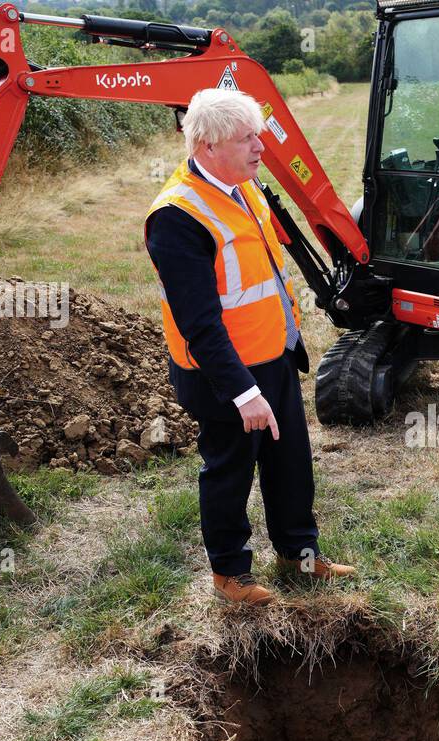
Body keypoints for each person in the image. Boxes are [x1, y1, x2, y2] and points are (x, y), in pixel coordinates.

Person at [144, 88, 353, 606]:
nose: (260, 147)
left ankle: (298, 555)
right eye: (246, 139)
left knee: (290, 463)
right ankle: (231, 576)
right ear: (208, 145)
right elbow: (199, 323)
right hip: (225, 376)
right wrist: (242, 393)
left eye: (258, 134)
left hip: (273, 357)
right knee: (229, 472)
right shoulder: (176, 217)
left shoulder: (244, 186)